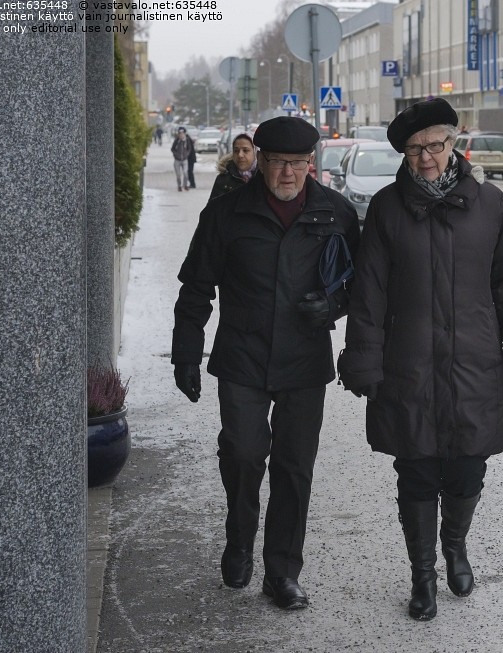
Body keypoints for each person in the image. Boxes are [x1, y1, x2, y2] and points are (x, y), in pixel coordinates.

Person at [336, 98, 503, 621]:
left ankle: (455, 545)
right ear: (404, 155)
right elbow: (369, 295)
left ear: (454, 142)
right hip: (410, 364)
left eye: (435, 145)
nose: (426, 157)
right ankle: (422, 574)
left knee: (468, 468)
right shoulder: (386, 208)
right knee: (418, 469)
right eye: (414, 150)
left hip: (475, 362)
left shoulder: (490, 202)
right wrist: (363, 358)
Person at [171, 116, 360, 611]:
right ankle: (239, 538)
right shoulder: (227, 213)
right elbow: (195, 289)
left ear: (311, 165)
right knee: (243, 454)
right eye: (277, 163)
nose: (287, 174)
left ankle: (281, 573)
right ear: (259, 161)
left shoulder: (335, 212)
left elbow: (361, 284)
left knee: (295, 469)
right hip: (242, 358)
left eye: (297, 164)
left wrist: (334, 306)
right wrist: (186, 354)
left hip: (303, 361)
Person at [209, 133, 257, 201]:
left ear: (255, 152)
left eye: (245, 150)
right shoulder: (223, 179)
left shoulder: (264, 177)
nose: (240, 155)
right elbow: (211, 209)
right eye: (236, 151)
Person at [171, 127, 192, 191]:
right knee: (178, 175)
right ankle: (179, 186)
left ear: (184, 134)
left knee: (185, 173)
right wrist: (176, 155)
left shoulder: (187, 140)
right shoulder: (177, 140)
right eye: (180, 134)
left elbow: (189, 149)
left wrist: (187, 154)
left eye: (182, 134)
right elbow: (172, 149)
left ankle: (185, 185)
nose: (181, 135)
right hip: (177, 160)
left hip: (185, 160)